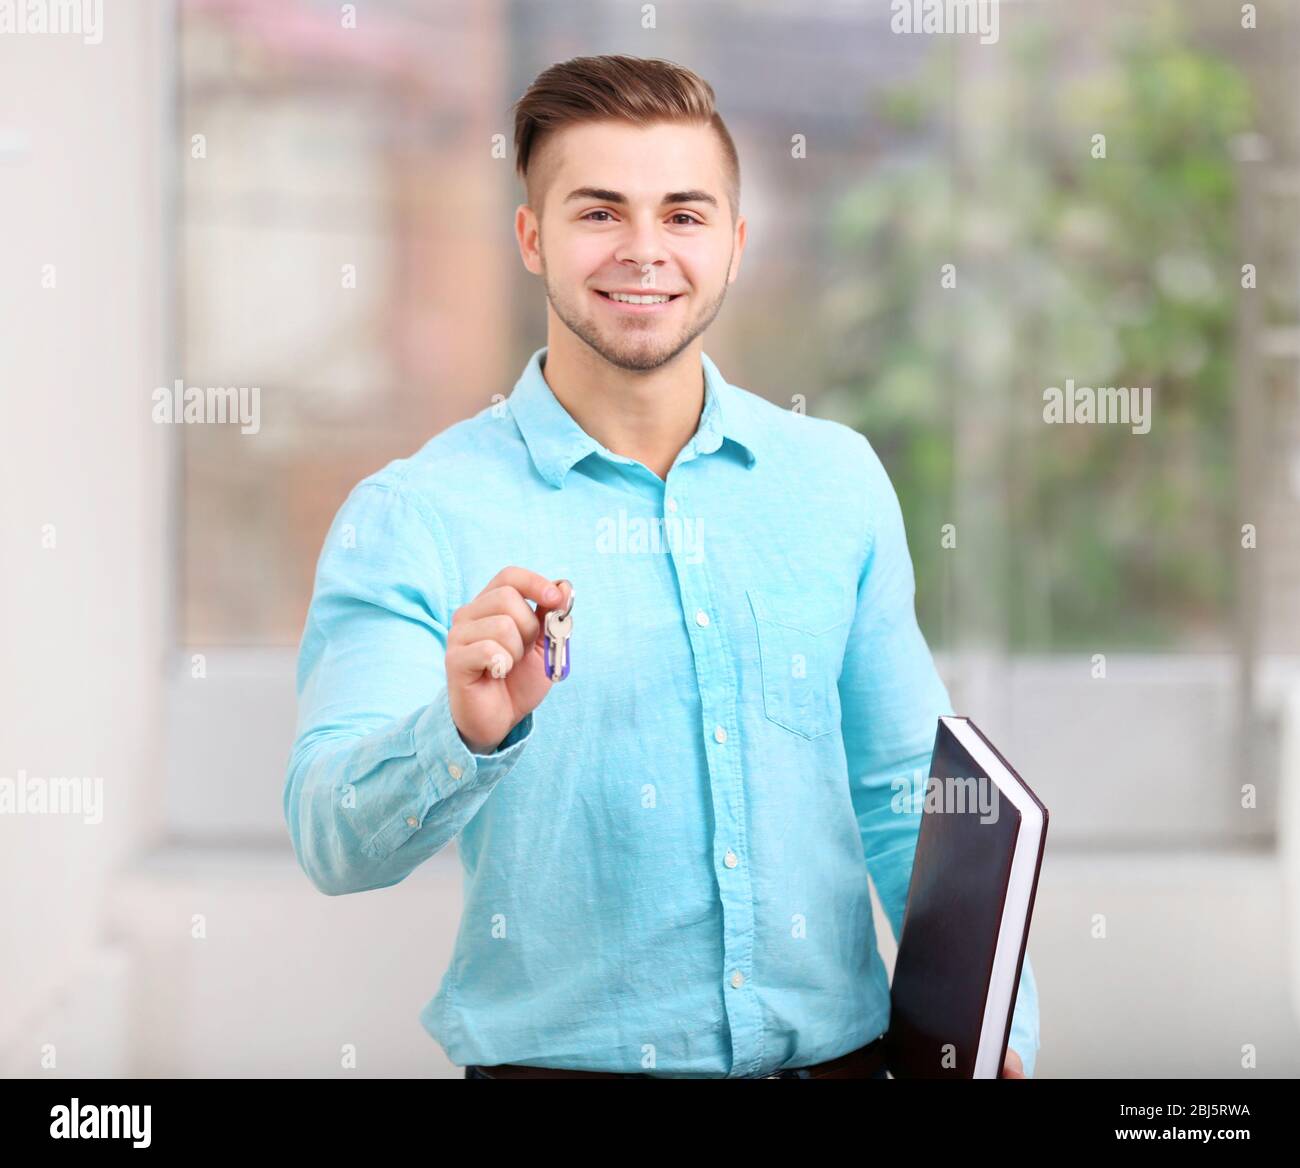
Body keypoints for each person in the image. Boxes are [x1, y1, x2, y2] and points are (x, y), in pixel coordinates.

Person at [283, 53, 1039, 1080]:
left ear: (731, 244)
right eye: (599, 213)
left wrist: (997, 1033)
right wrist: (459, 731)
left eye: (682, 216)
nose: (644, 250)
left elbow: (905, 793)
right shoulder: (415, 515)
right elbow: (333, 837)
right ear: (531, 237)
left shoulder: (835, 482)